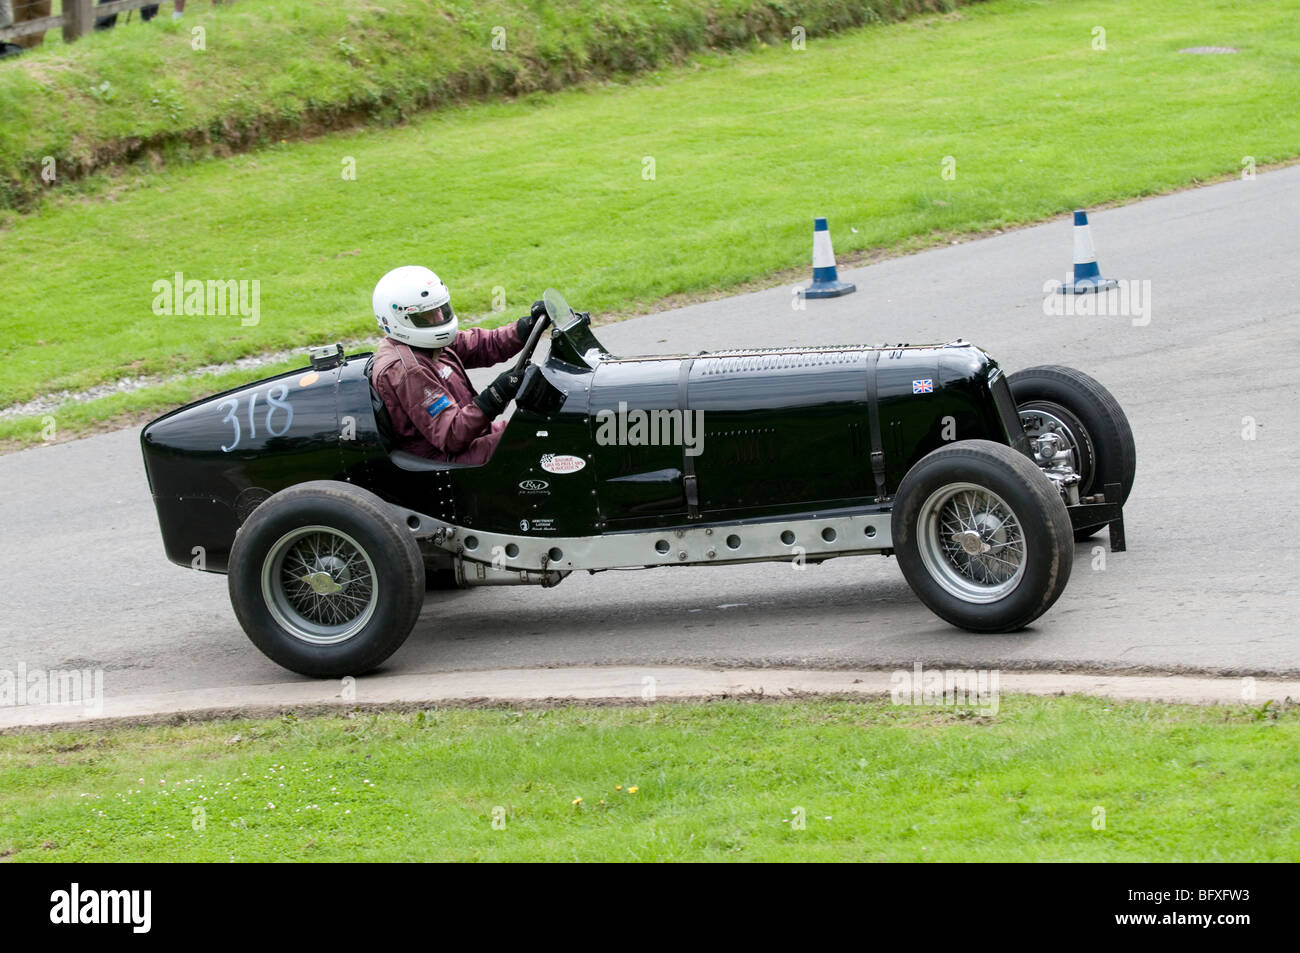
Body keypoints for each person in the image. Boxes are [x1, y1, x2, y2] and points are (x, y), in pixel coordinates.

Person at [368, 266, 544, 465]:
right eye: (427, 316)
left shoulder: (427, 344)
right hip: (444, 459)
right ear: (398, 320)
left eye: (441, 310)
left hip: (471, 438)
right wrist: (497, 393)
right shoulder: (406, 370)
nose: (439, 319)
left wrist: (526, 326)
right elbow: (452, 435)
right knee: (542, 438)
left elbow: (483, 345)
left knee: (553, 426)